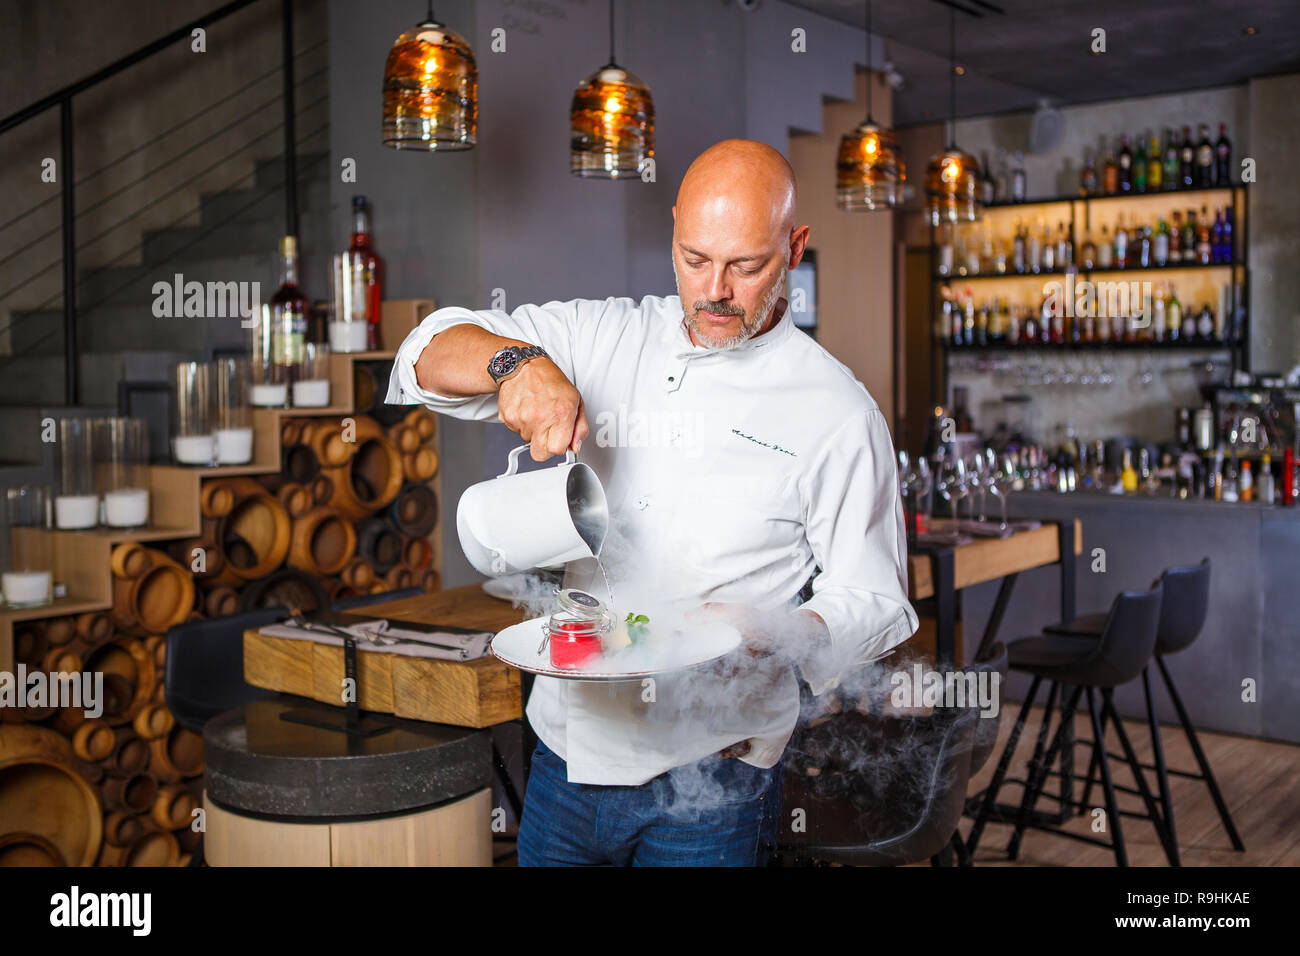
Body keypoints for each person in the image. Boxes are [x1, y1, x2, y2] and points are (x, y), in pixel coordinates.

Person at [387, 138, 918, 866]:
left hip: (717, 774)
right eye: (694, 258)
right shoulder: (603, 336)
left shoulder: (837, 411)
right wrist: (516, 363)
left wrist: (775, 629)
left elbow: (877, 599)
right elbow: (422, 351)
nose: (714, 291)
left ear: (795, 247)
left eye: (746, 265)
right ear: (673, 230)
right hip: (568, 760)